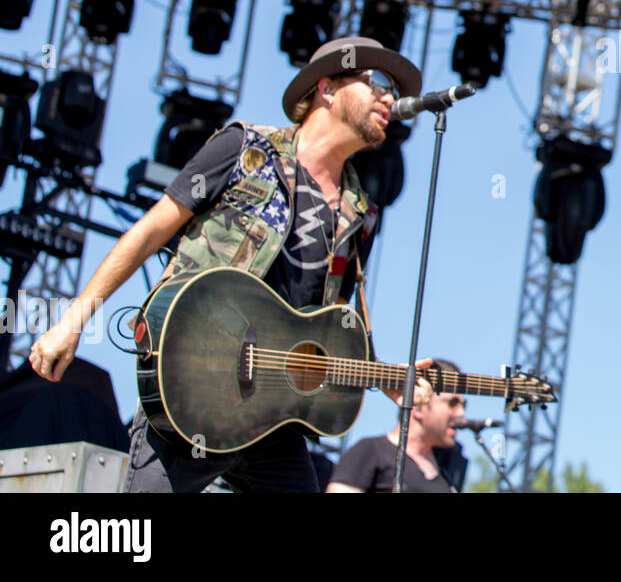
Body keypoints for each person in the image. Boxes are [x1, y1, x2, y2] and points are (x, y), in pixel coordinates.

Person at [28, 36, 436, 492]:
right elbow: (148, 232)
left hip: (273, 414)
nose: (390, 97)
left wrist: (381, 376)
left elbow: (333, 323)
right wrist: (75, 319)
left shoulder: (361, 212)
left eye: (393, 90)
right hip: (194, 385)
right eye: (378, 82)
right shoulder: (245, 150)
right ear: (328, 89)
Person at [325, 358, 470, 493]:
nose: (461, 413)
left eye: (464, 405)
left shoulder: (446, 469)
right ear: (418, 408)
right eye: (452, 403)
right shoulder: (370, 449)